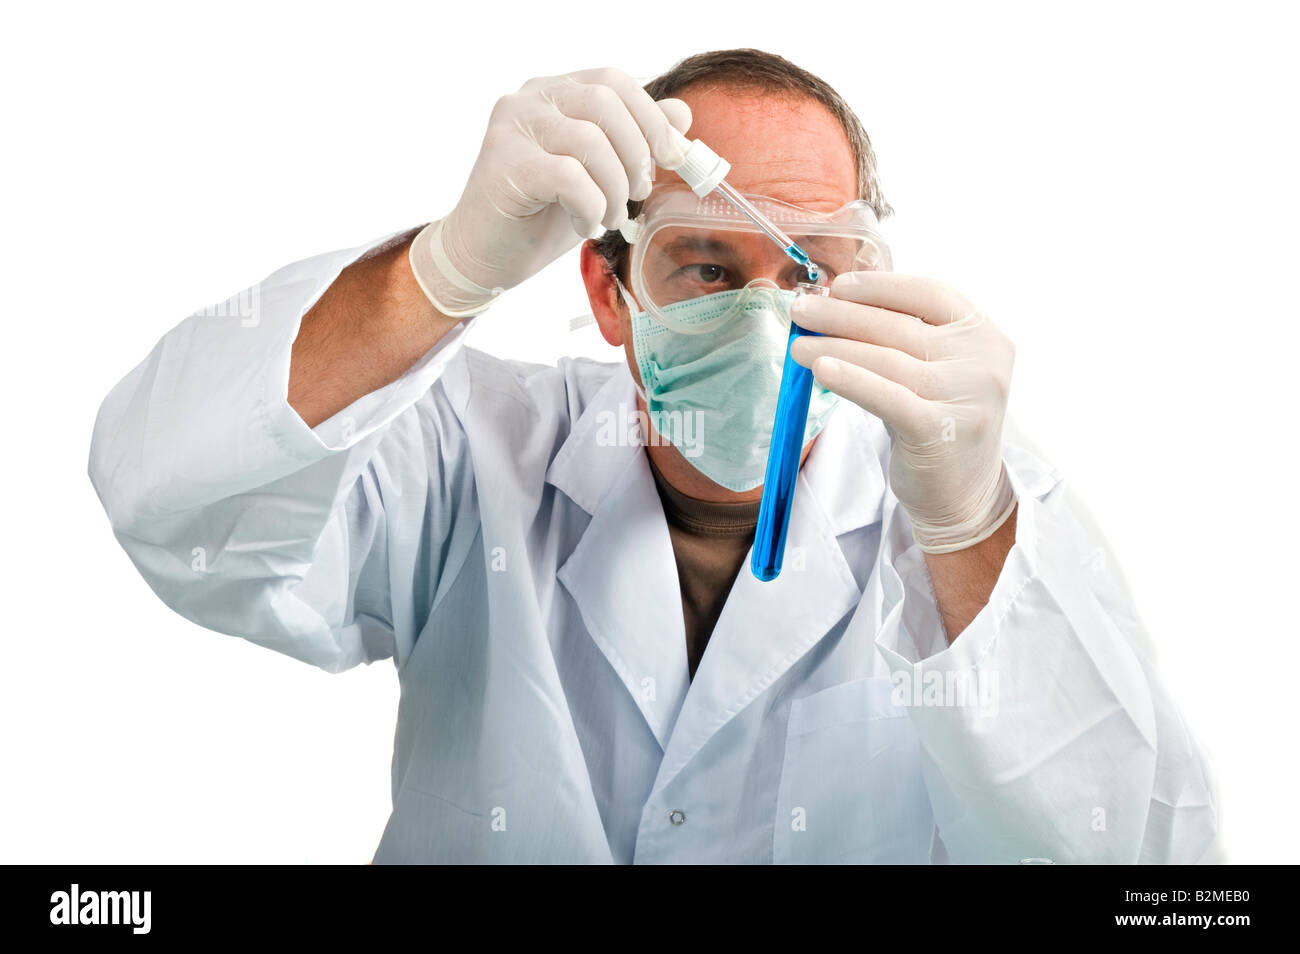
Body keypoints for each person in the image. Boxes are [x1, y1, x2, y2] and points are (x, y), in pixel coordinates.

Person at [88, 49, 1218, 864]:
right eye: (708, 269)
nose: (767, 323)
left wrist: (970, 531)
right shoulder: (469, 448)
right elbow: (172, 498)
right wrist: (442, 271)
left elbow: (1150, 868)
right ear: (608, 289)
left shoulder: (964, 490)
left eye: (811, 270)